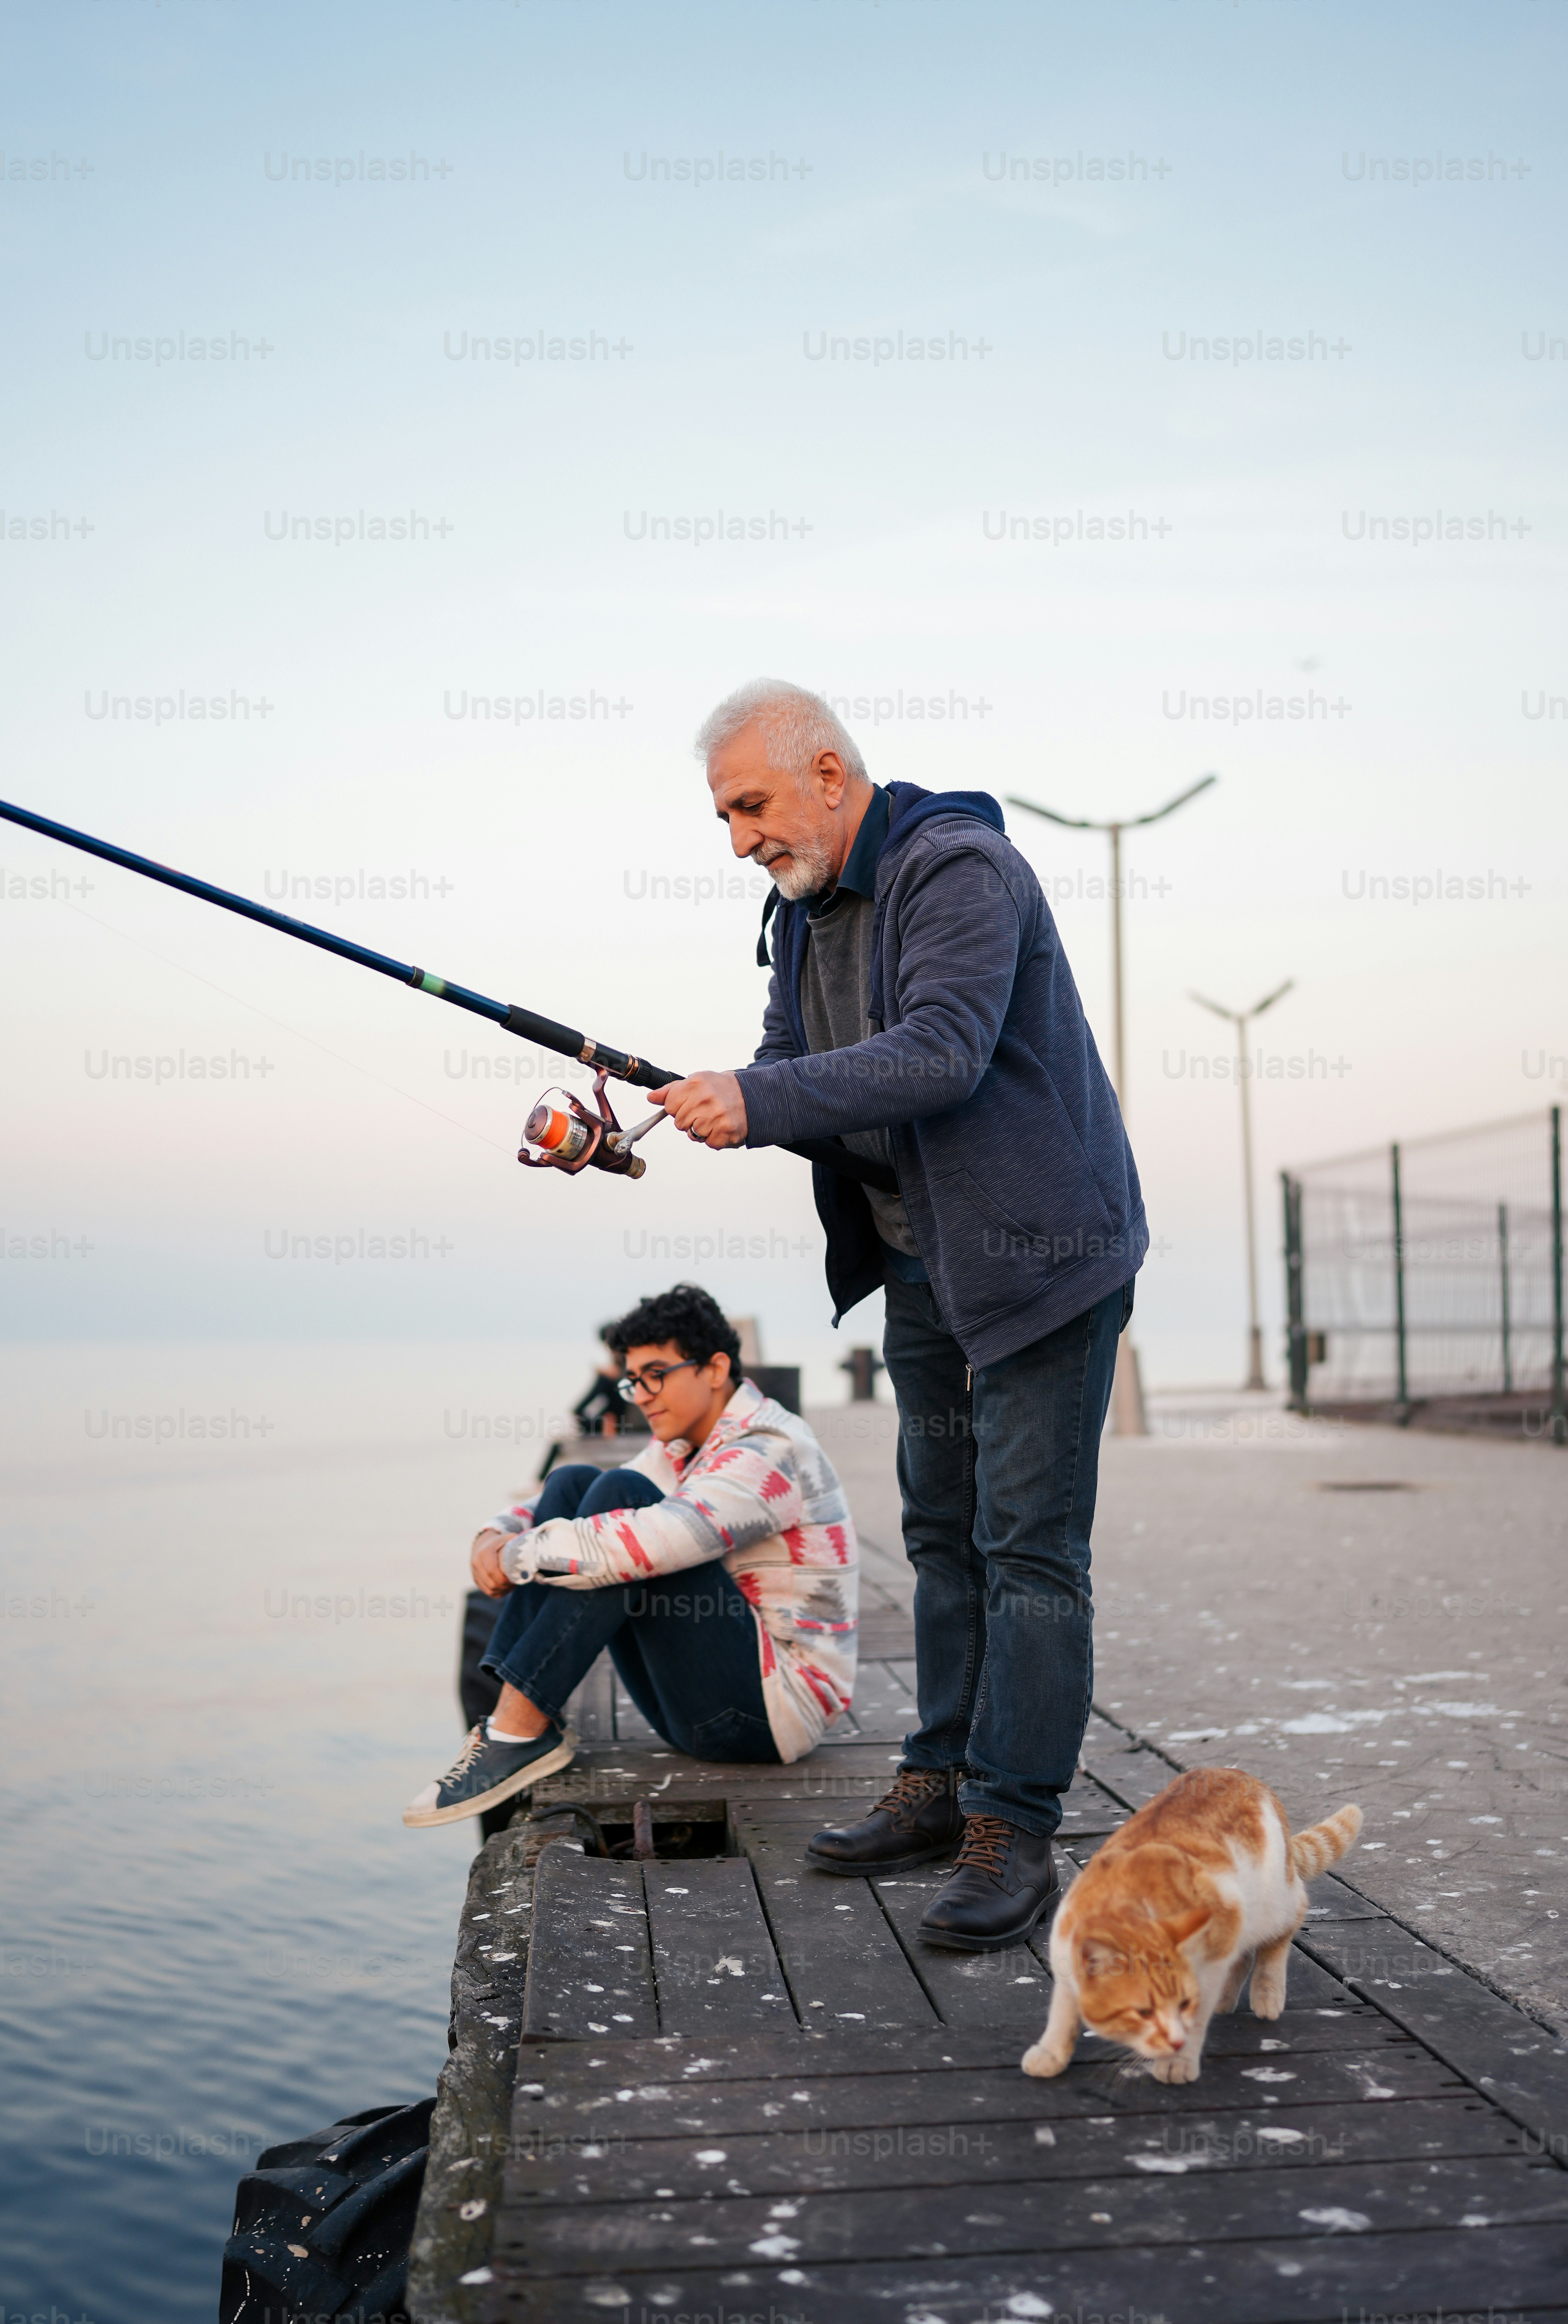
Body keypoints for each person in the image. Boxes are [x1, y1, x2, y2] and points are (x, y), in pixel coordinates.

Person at [646, 679, 1147, 1950]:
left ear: (827, 773)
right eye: (723, 816)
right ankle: (936, 1783)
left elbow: (941, 1052)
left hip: (1043, 1260)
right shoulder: (803, 912)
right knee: (941, 1533)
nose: (741, 837)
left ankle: (1012, 1825)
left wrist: (753, 1100)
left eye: (751, 805)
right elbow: (789, 1075)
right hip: (926, 1269)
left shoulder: (959, 868)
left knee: (1028, 1548)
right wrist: (656, 1112)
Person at [403, 1283, 856, 1826]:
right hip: (701, 1708)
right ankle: (516, 1726)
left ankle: (516, 1730)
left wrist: (514, 1557)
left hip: (770, 1717)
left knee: (622, 1510)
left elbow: (649, 1540)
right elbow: (573, 1507)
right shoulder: (687, 1446)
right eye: (632, 1379)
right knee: (574, 1483)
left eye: (656, 1375)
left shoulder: (769, 1449)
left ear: (714, 1369)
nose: (639, 1395)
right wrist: (493, 1535)